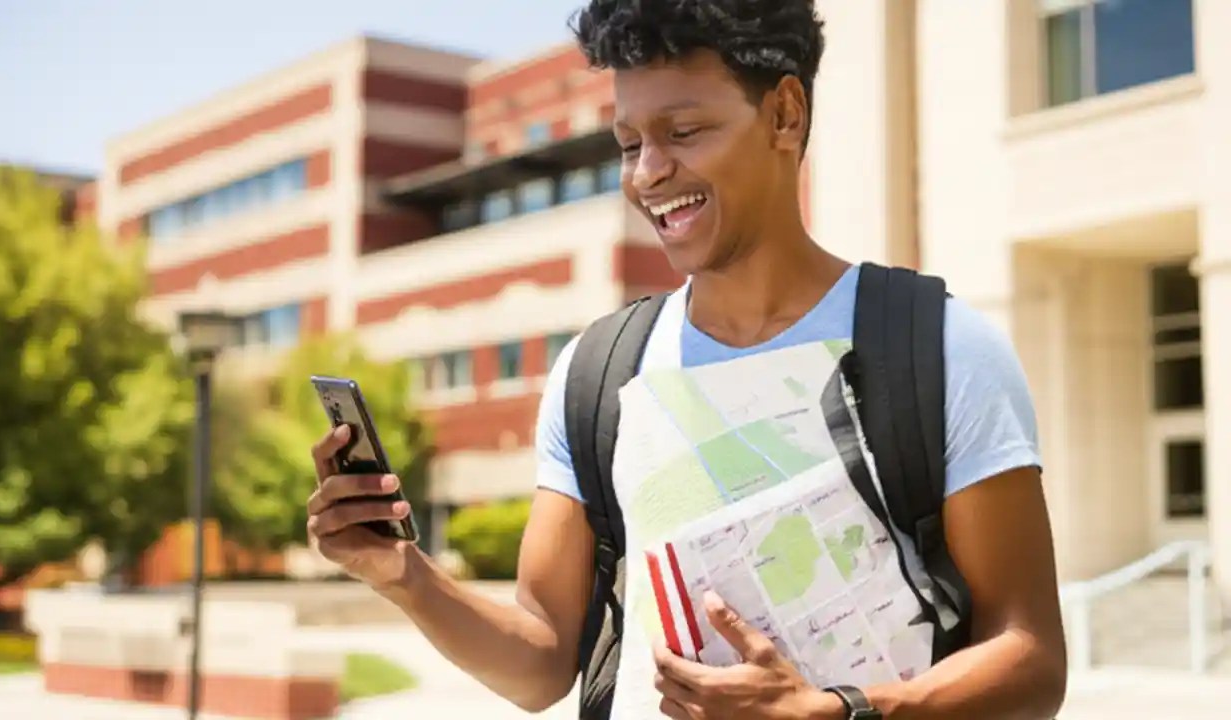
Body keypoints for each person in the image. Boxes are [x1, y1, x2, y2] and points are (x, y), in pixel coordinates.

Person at [306, 1, 1067, 717]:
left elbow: (1030, 658)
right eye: (630, 144)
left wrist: (839, 711)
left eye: (683, 132)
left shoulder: (938, 345)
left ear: (784, 114)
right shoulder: (598, 374)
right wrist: (402, 575)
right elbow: (541, 661)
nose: (646, 174)